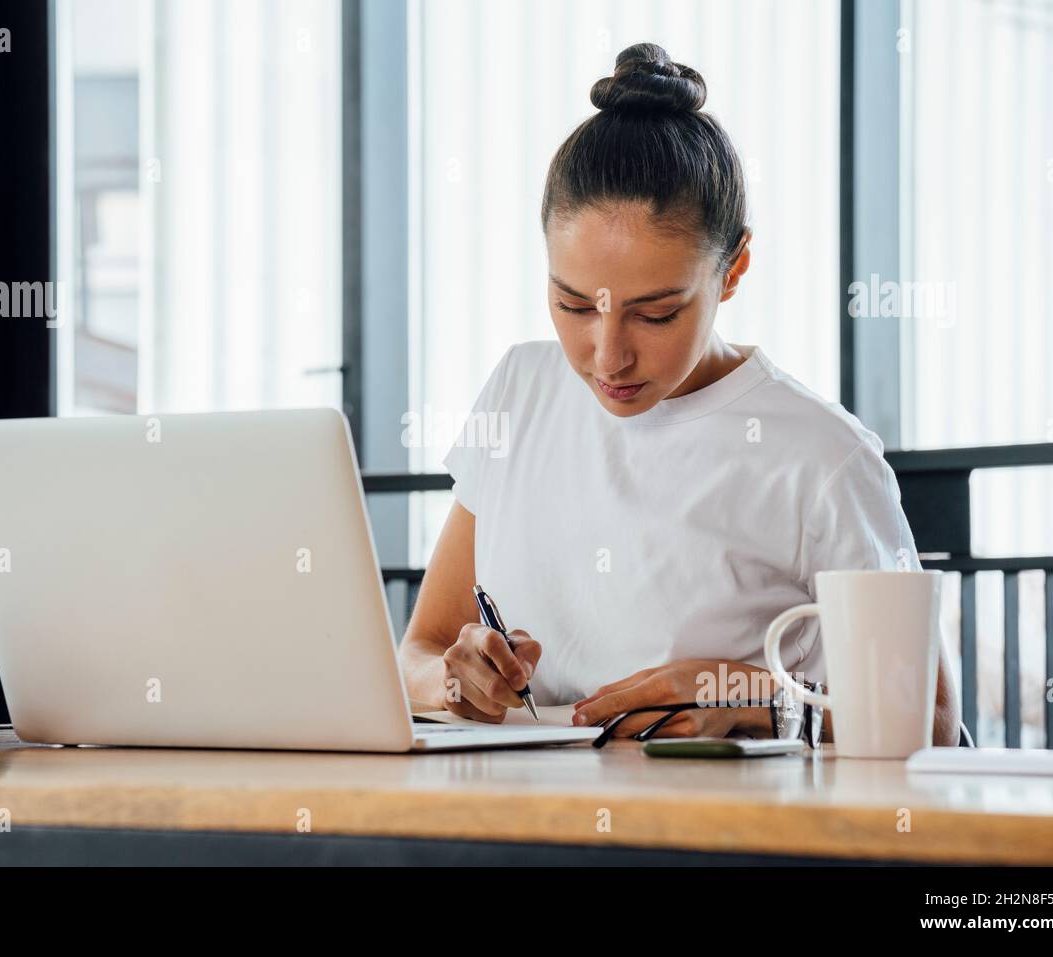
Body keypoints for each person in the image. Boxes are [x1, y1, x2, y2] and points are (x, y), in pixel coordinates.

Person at [399, 43, 959, 746]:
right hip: (522, 811)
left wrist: (763, 702)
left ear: (733, 271)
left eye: (656, 313)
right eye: (574, 304)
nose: (608, 354)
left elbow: (934, 723)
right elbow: (418, 651)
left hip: (722, 834)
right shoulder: (520, 390)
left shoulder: (823, 458)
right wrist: (457, 681)